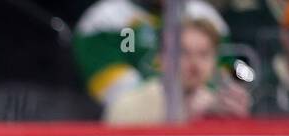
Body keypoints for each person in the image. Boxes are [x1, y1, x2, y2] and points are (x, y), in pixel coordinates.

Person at [74, 0, 230, 111]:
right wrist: (182, 101)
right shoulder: (105, 19)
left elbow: (224, 78)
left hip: (206, 131)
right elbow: (120, 100)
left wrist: (214, 99)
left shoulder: (206, 16)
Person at [106, 14, 252, 122]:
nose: (194, 63)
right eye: (183, 53)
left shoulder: (220, 107)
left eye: (204, 54)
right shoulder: (129, 105)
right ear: (162, 59)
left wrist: (238, 122)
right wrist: (187, 115)